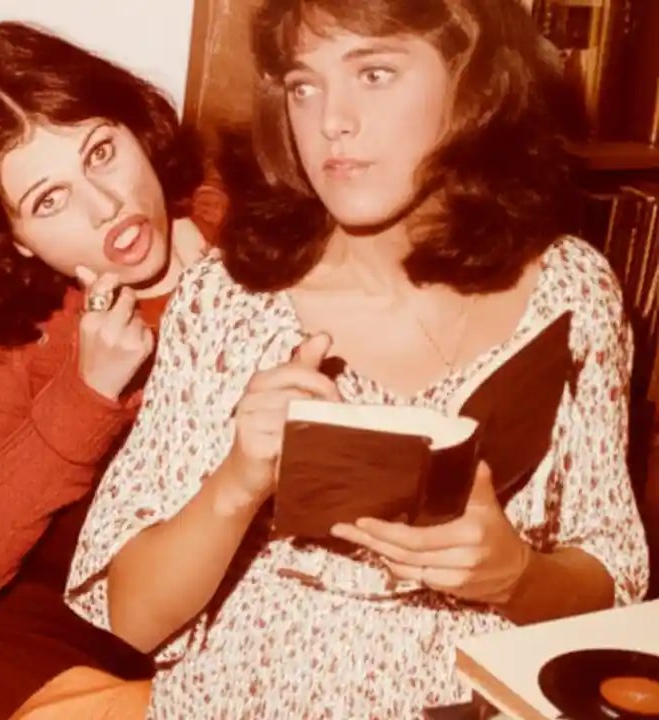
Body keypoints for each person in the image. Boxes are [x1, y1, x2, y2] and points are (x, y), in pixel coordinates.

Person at [64, 0, 652, 716]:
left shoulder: (572, 290)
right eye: (304, 85)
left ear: (474, 83)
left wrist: (514, 575)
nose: (329, 121)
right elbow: (134, 618)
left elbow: (609, 581)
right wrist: (237, 484)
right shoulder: (226, 301)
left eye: (373, 73)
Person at [0, 20, 219, 719]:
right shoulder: (35, 324)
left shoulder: (249, 238)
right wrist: (84, 397)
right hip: (85, 622)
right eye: (48, 201)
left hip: (230, 612)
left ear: (138, 130)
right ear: (16, 240)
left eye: (102, 152)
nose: (107, 206)